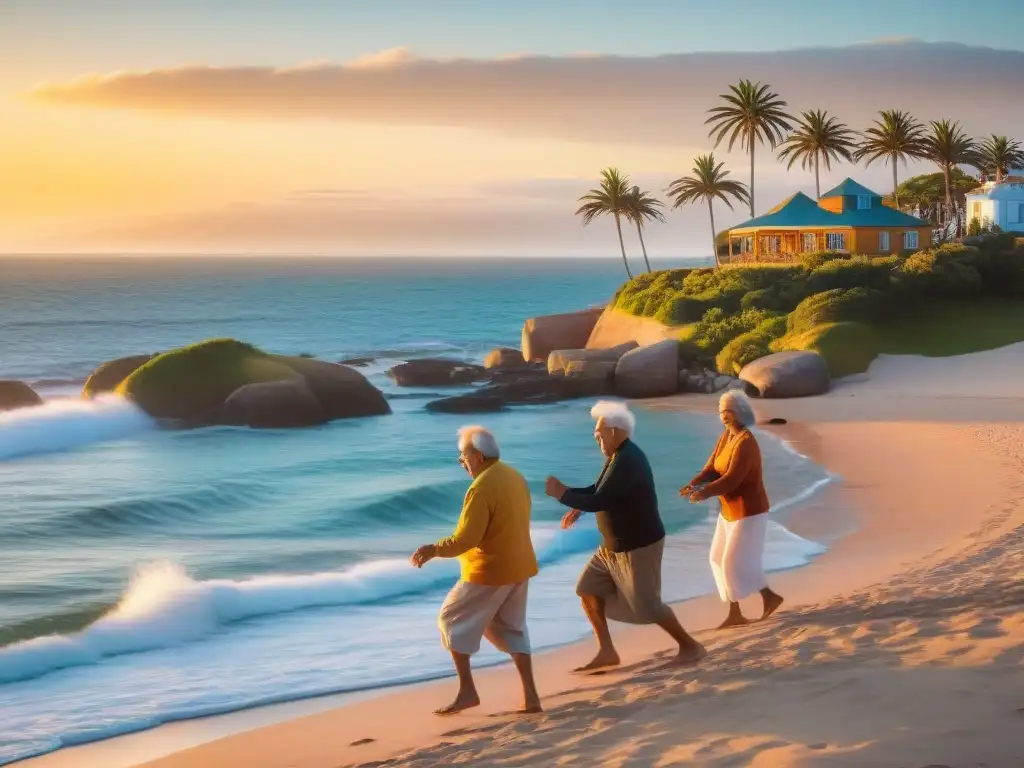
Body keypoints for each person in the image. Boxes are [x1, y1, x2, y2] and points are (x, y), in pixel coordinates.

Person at [545, 400, 706, 672]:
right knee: (587, 590)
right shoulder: (617, 457)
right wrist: (575, 502)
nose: (595, 436)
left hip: (638, 545)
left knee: (649, 607)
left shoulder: (628, 459)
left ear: (614, 430)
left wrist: (561, 493)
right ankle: (607, 651)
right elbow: (597, 490)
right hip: (611, 548)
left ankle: (690, 646)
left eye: (599, 431)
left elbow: (601, 500)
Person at [410, 426, 542, 716]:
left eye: (463, 456)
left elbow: (466, 539)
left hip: (490, 570)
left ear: (479, 456)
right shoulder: (513, 476)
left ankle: (468, 691)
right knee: (512, 628)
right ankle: (531, 696)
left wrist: (433, 549)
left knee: (450, 620)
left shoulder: (481, 487)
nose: (462, 463)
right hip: (520, 565)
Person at [681, 389, 784, 629]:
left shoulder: (746, 442)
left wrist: (704, 493)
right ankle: (755, 604)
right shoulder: (725, 437)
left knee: (732, 563)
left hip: (750, 511)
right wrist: (694, 484)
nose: (724, 416)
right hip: (728, 511)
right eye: (721, 411)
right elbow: (711, 470)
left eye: (728, 411)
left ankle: (754, 603)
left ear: (740, 412)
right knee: (717, 559)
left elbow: (732, 479)